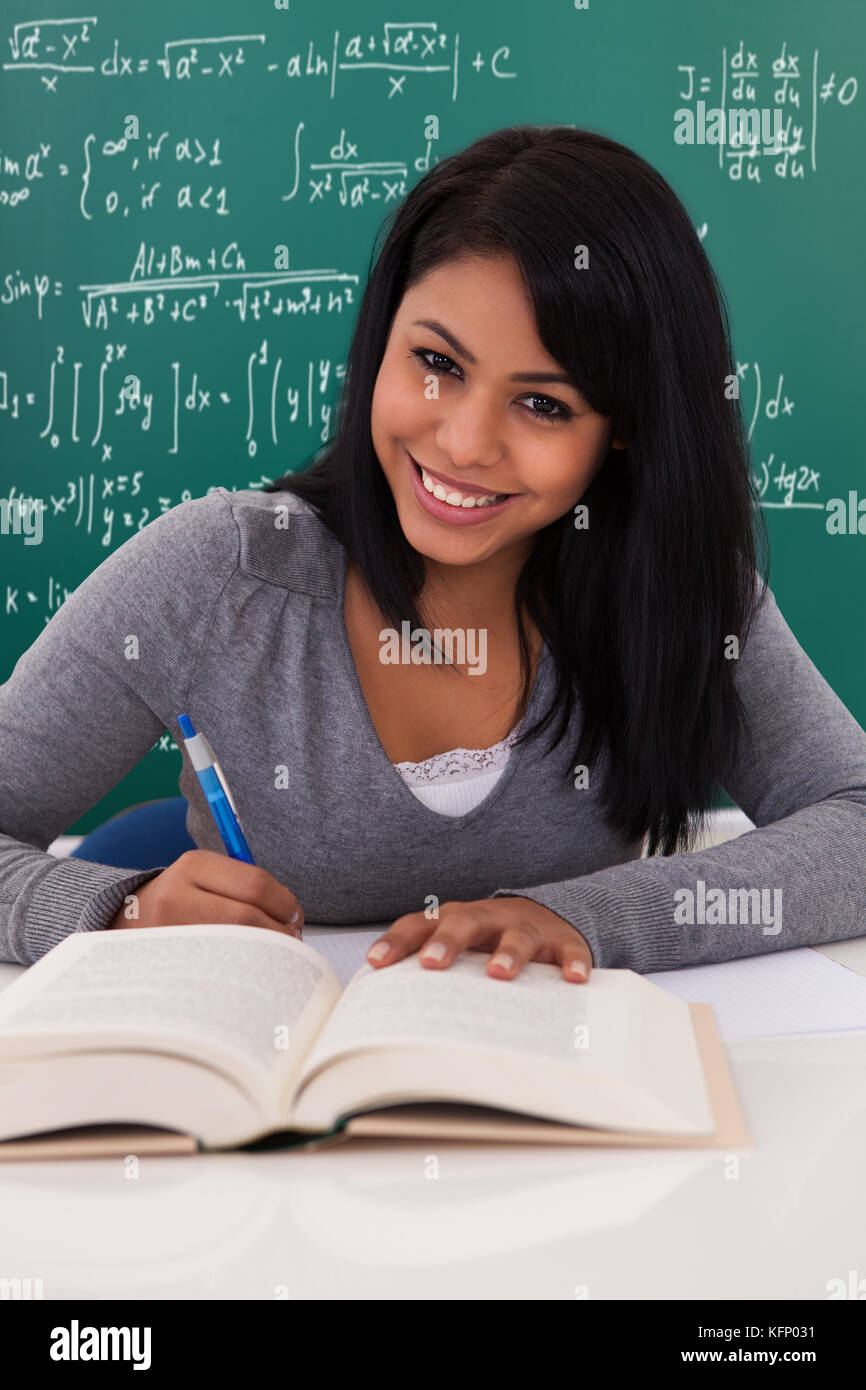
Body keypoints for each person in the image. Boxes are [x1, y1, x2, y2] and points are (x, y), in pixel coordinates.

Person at [2, 125, 864, 981]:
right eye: (437, 362)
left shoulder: (686, 598)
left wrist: (583, 916)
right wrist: (118, 910)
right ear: (384, 335)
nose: (464, 442)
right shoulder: (214, 574)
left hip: (559, 1085)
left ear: (627, 430)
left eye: (545, 405)